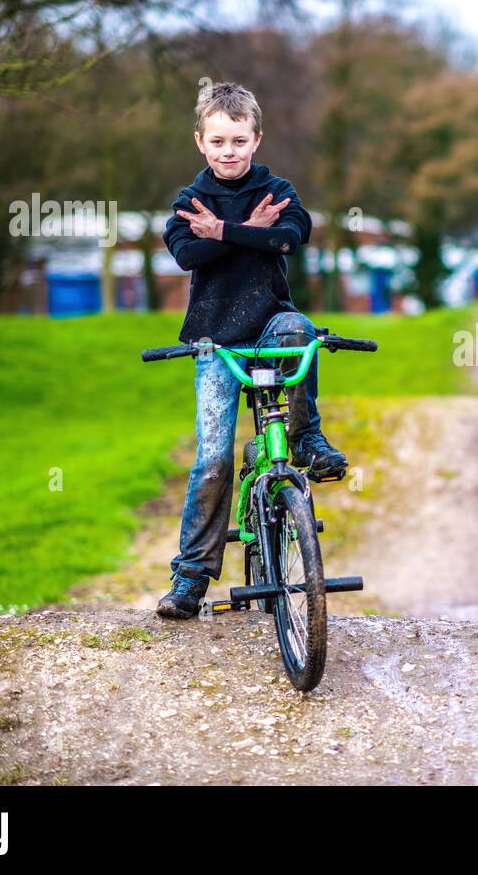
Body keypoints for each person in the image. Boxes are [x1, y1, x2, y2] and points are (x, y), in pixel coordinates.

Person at [156, 81, 347, 619]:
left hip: (270, 324)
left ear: (256, 138)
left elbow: (290, 238)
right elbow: (188, 254)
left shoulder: (276, 187)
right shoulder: (188, 200)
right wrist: (244, 231)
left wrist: (226, 231)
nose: (228, 151)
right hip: (215, 339)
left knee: (301, 329)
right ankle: (191, 577)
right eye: (217, 141)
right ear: (200, 141)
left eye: (238, 140)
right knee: (212, 459)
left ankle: (307, 440)